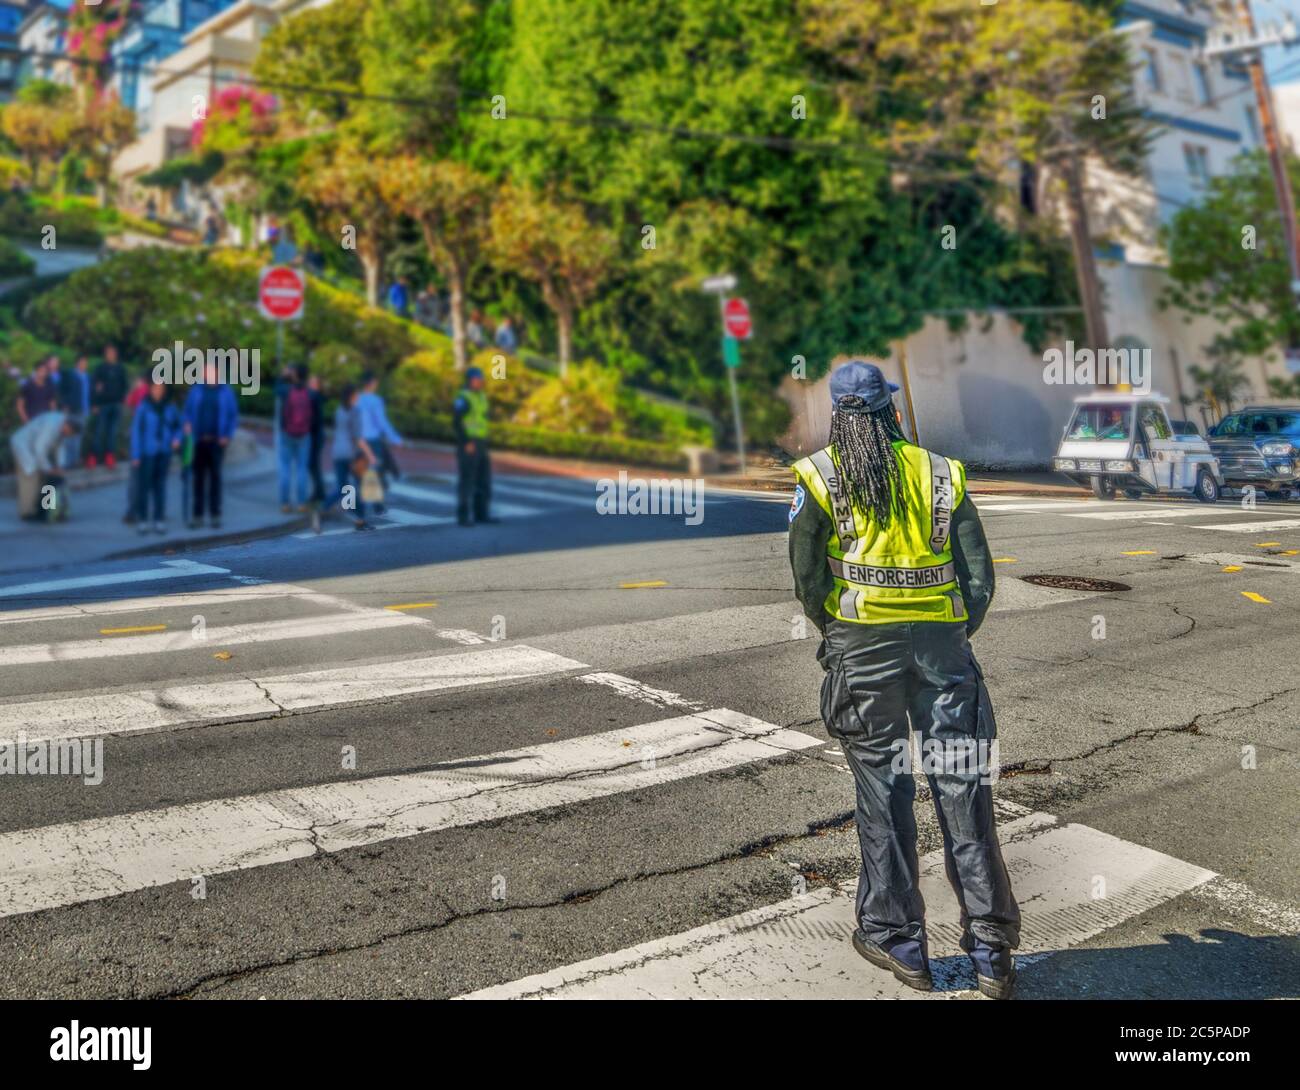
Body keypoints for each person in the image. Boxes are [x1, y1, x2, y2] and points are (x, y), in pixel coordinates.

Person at [788, 359, 1020, 1000]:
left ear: (838, 414)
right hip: (943, 655)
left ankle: (900, 941)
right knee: (964, 795)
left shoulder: (820, 476)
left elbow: (808, 577)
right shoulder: (940, 471)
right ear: (892, 410)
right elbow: (978, 576)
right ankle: (991, 951)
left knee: (885, 796)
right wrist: (949, 632)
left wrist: (840, 631)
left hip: (862, 657)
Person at [182, 363, 239, 529]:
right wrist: (186, 424)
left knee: (215, 478)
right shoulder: (196, 390)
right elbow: (187, 411)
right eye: (206, 371)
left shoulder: (226, 392)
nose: (208, 374)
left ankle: (215, 515)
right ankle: (197, 515)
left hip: (217, 442)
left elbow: (233, 416)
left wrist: (227, 435)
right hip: (198, 441)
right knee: (198, 480)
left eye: (212, 371)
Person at [317, 383, 377, 532]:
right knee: (360, 487)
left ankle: (322, 508)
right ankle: (360, 520)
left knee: (342, 487)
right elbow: (358, 439)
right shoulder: (355, 412)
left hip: (338, 452)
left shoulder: (339, 410)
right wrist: (370, 455)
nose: (358, 397)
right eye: (356, 395)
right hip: (351, 455)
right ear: (351, 396)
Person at [129, 380, 182, 535]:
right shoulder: (143, 407)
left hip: (164, 452)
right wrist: (136, 454)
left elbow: (178, 426)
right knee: (144, 487)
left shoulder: (170, 407)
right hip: (147, 452)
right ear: (150, 389)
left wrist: (176, 438)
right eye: (155, 388)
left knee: (160, 487)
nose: (158, 391)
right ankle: (143, 520)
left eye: (161, 388)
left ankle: (159, 519)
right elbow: (136, 432)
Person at [10, 409, 79, 520]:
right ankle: (27, 513)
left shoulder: (62, 427)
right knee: (30, 479)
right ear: (67, 425)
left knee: (44, 479)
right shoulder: (51, 425)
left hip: (33, 449)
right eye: (69, 433)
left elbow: (60, 447)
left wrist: (60, 466)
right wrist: (49, 468)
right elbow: (39, 448)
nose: (67, 435)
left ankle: (43, 510)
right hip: (23, 446)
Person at [453, 366, 495, 527]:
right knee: (467, 481)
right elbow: (457, 422)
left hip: (481, 443)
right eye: (477, 380)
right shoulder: (464, 398)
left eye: (481, 380)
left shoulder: (481, 397)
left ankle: (481, 514)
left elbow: (483, 419)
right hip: (468, 444)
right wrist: (466, 442)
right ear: (470, 380)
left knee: (484, 480)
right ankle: (463, 517)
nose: (480, 382)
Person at [355, 371, 402, 508]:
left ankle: (364, 502)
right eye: (375, 382)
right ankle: (377, 504)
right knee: (375, 469)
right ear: (371, 383)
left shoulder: (357, 399)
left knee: (363, 469)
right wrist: (394, 438)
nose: (377, 384)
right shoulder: (376, 401)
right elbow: (382, 422)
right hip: (373, 439)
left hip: (360, 439)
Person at [276, 364, 314, 512]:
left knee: (285, 468)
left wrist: (282, 376)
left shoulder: (286, 390)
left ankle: (285, 503)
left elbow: (276, 389)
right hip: (304, 434)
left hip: (287, 433)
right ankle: (301, 503)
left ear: (294, 374)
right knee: (301, 469)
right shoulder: (309, 392)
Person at [88, 344, 128, 469]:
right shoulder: (100, 368)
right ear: (105, 354)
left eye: (112, 352)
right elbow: (94, 387)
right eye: (108, 352)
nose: (110, 354)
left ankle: (109, 457)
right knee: (99, 431)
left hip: (116, 405)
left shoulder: (120, 368)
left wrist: (122, 400)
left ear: (115, 354)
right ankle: (93, 457)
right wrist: (94, 404)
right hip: (102, 405)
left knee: (112, 432)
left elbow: (124, 385)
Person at [60, 356, 91, 469]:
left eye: (86, 363)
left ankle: (75, 460)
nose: (84, 365)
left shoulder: (87, 377)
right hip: (72, 409)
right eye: (82, 363)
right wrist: (64, 405)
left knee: (79, 436)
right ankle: (66, 462)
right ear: (77, 364)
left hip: (84, 410)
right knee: (68, 436)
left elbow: (89, 393)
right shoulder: (70, 375)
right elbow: (63, 391)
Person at [16, 359, 57, 424]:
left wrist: (53, 419)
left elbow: (52, 403)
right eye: (40, 370)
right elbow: (20, 406)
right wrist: (26, 422)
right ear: (36, 370)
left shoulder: (50, 385)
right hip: (31, 421)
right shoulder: (27, 385)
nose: (42, 373)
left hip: (46, 420)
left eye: (45, 371)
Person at [307, 372, 326, 505]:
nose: (309, 383)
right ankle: (319, 492)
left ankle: (319, 493)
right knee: (313, 465)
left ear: (317, 385)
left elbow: (314, 419)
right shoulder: (316, 396)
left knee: (313, 465)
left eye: (312, 382)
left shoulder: (314, 396)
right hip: (317, 435)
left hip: (315, 435)